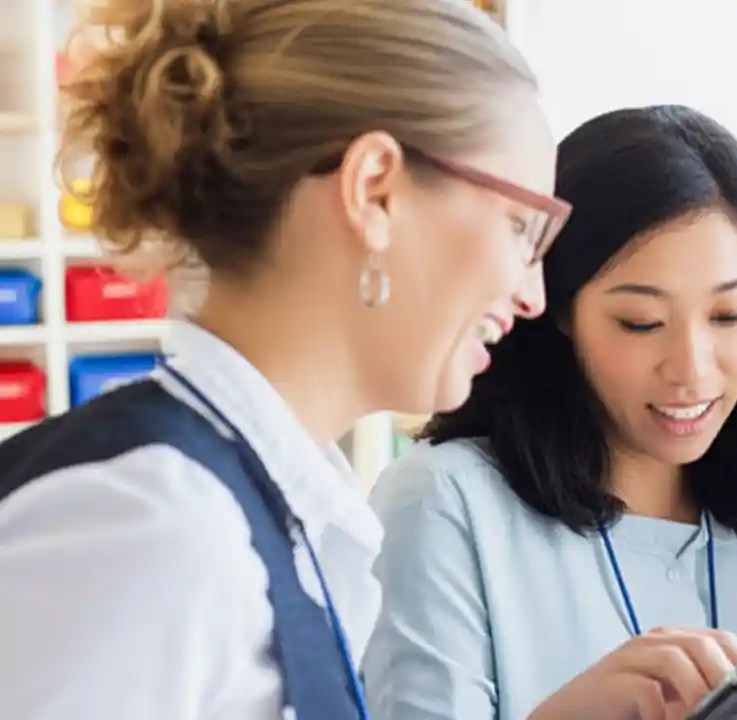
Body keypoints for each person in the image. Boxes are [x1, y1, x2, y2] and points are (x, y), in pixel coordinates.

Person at [0, 0, 570, 717]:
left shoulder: (271, 508)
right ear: (375, 191)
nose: (532, 295)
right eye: (522, 226)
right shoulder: (159, 531)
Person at [363, 105, 737, 720]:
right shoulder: (445, 503)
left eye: (729, 316)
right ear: (555, 307)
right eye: (641, 323)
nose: (692, 369)